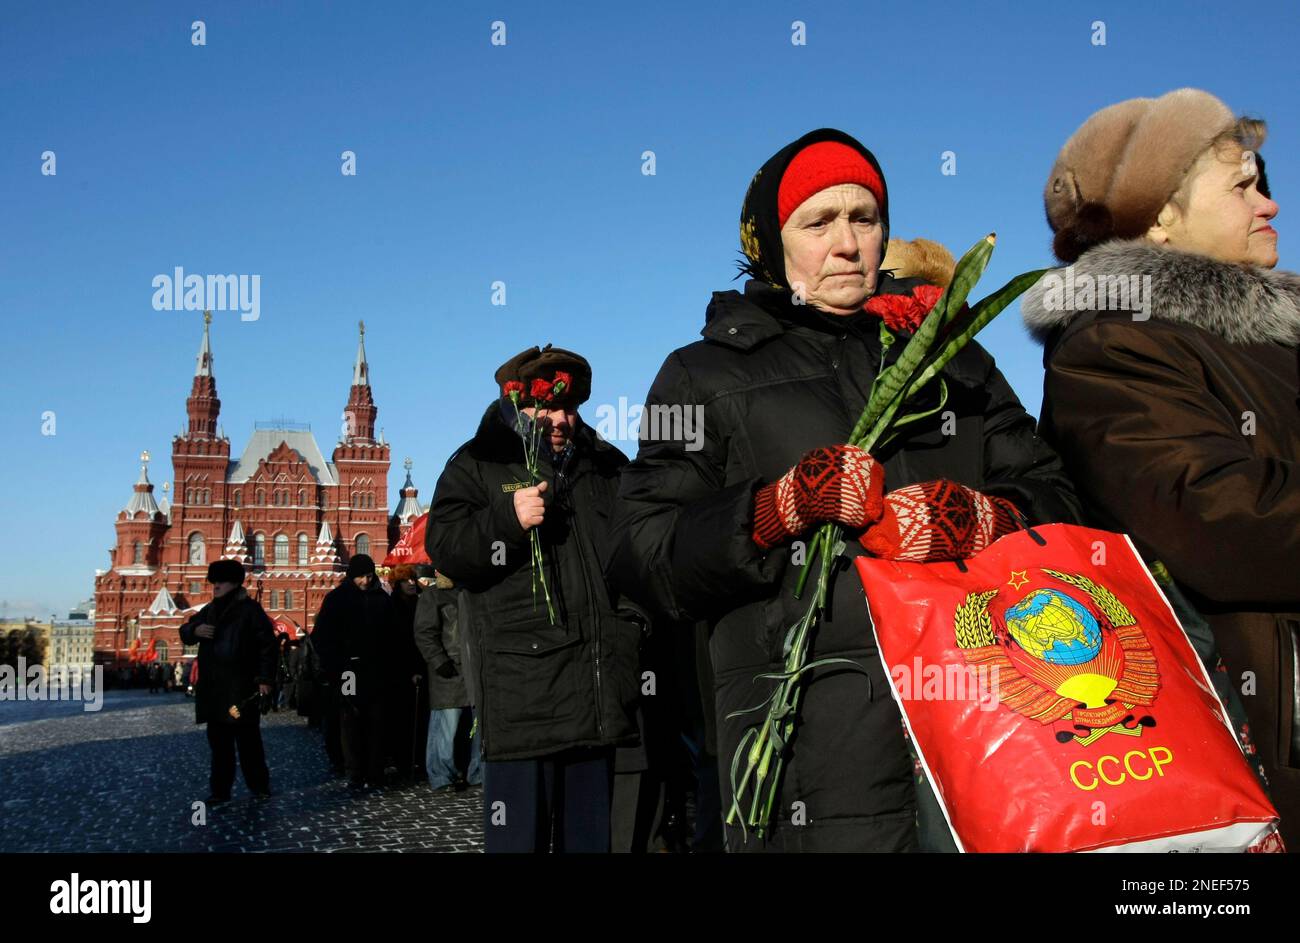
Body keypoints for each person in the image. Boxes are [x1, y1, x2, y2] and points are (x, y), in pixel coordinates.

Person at [606, 128, 1082, 852]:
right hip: (810, 764)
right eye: (818, 222)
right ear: (771, 242)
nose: (848, 243)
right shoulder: (703, 374)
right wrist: (775, 510)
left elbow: (1060, 497)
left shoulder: (954, 356)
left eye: (864, 217)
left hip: (986, 735)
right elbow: (642, 552)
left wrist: (986, 520)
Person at [1021, 88, 1299, 847]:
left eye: (1265, 183)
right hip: (1262, 746)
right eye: (1243, 186)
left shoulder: (1273, 343)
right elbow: (1212, 515)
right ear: (1162, 221)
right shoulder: (1113, 346)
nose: (1270, 205)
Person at [427, 345, 644, 853]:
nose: (560, 419)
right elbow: (447, 550)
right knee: (516, 840)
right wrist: (506, 519)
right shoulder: (477, 462)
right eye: (548, 406)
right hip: (523, 698)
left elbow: (637, 555)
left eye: (569, 407)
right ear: (518, 403)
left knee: (590, 842)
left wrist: (632, 625)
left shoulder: (607, 467)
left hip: (597, 695)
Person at [178, 559, 277, 803]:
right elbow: (186, 630)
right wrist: (196, 630)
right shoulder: (210, 610)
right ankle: (220, 791)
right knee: (219, 745)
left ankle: (259, 786)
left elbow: (267, 645)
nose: (215, 586)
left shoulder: (249, 610)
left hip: (241, 688)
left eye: (220, 582)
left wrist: (264, 678)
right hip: (215, 689)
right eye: (214, 582)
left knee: (248, 742)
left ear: (233, 583)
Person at [312, 554, 395, 789]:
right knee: (351, 718)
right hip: (348, 670)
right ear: (351, 576)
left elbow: (394, 634)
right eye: (361, 576)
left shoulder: (381, 598)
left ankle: (375, 770)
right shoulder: (337, 599)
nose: (366, 581)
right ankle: (355, 771)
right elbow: (322, 637)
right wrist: (336, 666)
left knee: (377, 720)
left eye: (369, 576)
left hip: (376, 669)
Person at [412, 569, 481, 791]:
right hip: (450, 670)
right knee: (446, 728)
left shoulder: (475, 590)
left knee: (477, 728)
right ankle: (442, 775)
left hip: (475, 669)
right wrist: (439, 661)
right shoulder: (433, 595)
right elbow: (424, 632)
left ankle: (476, 772)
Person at [386, 564, 429, 782]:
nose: (411, 584)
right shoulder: (392, 606)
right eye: (406, 581)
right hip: (401, 672)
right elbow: (397, 642)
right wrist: (410, 669)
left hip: (422, 668)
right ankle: (403, 759)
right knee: (402, 718)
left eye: (412, 580)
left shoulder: (422, 602)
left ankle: (419, 758)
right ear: (397, 584)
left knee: (420, 717)